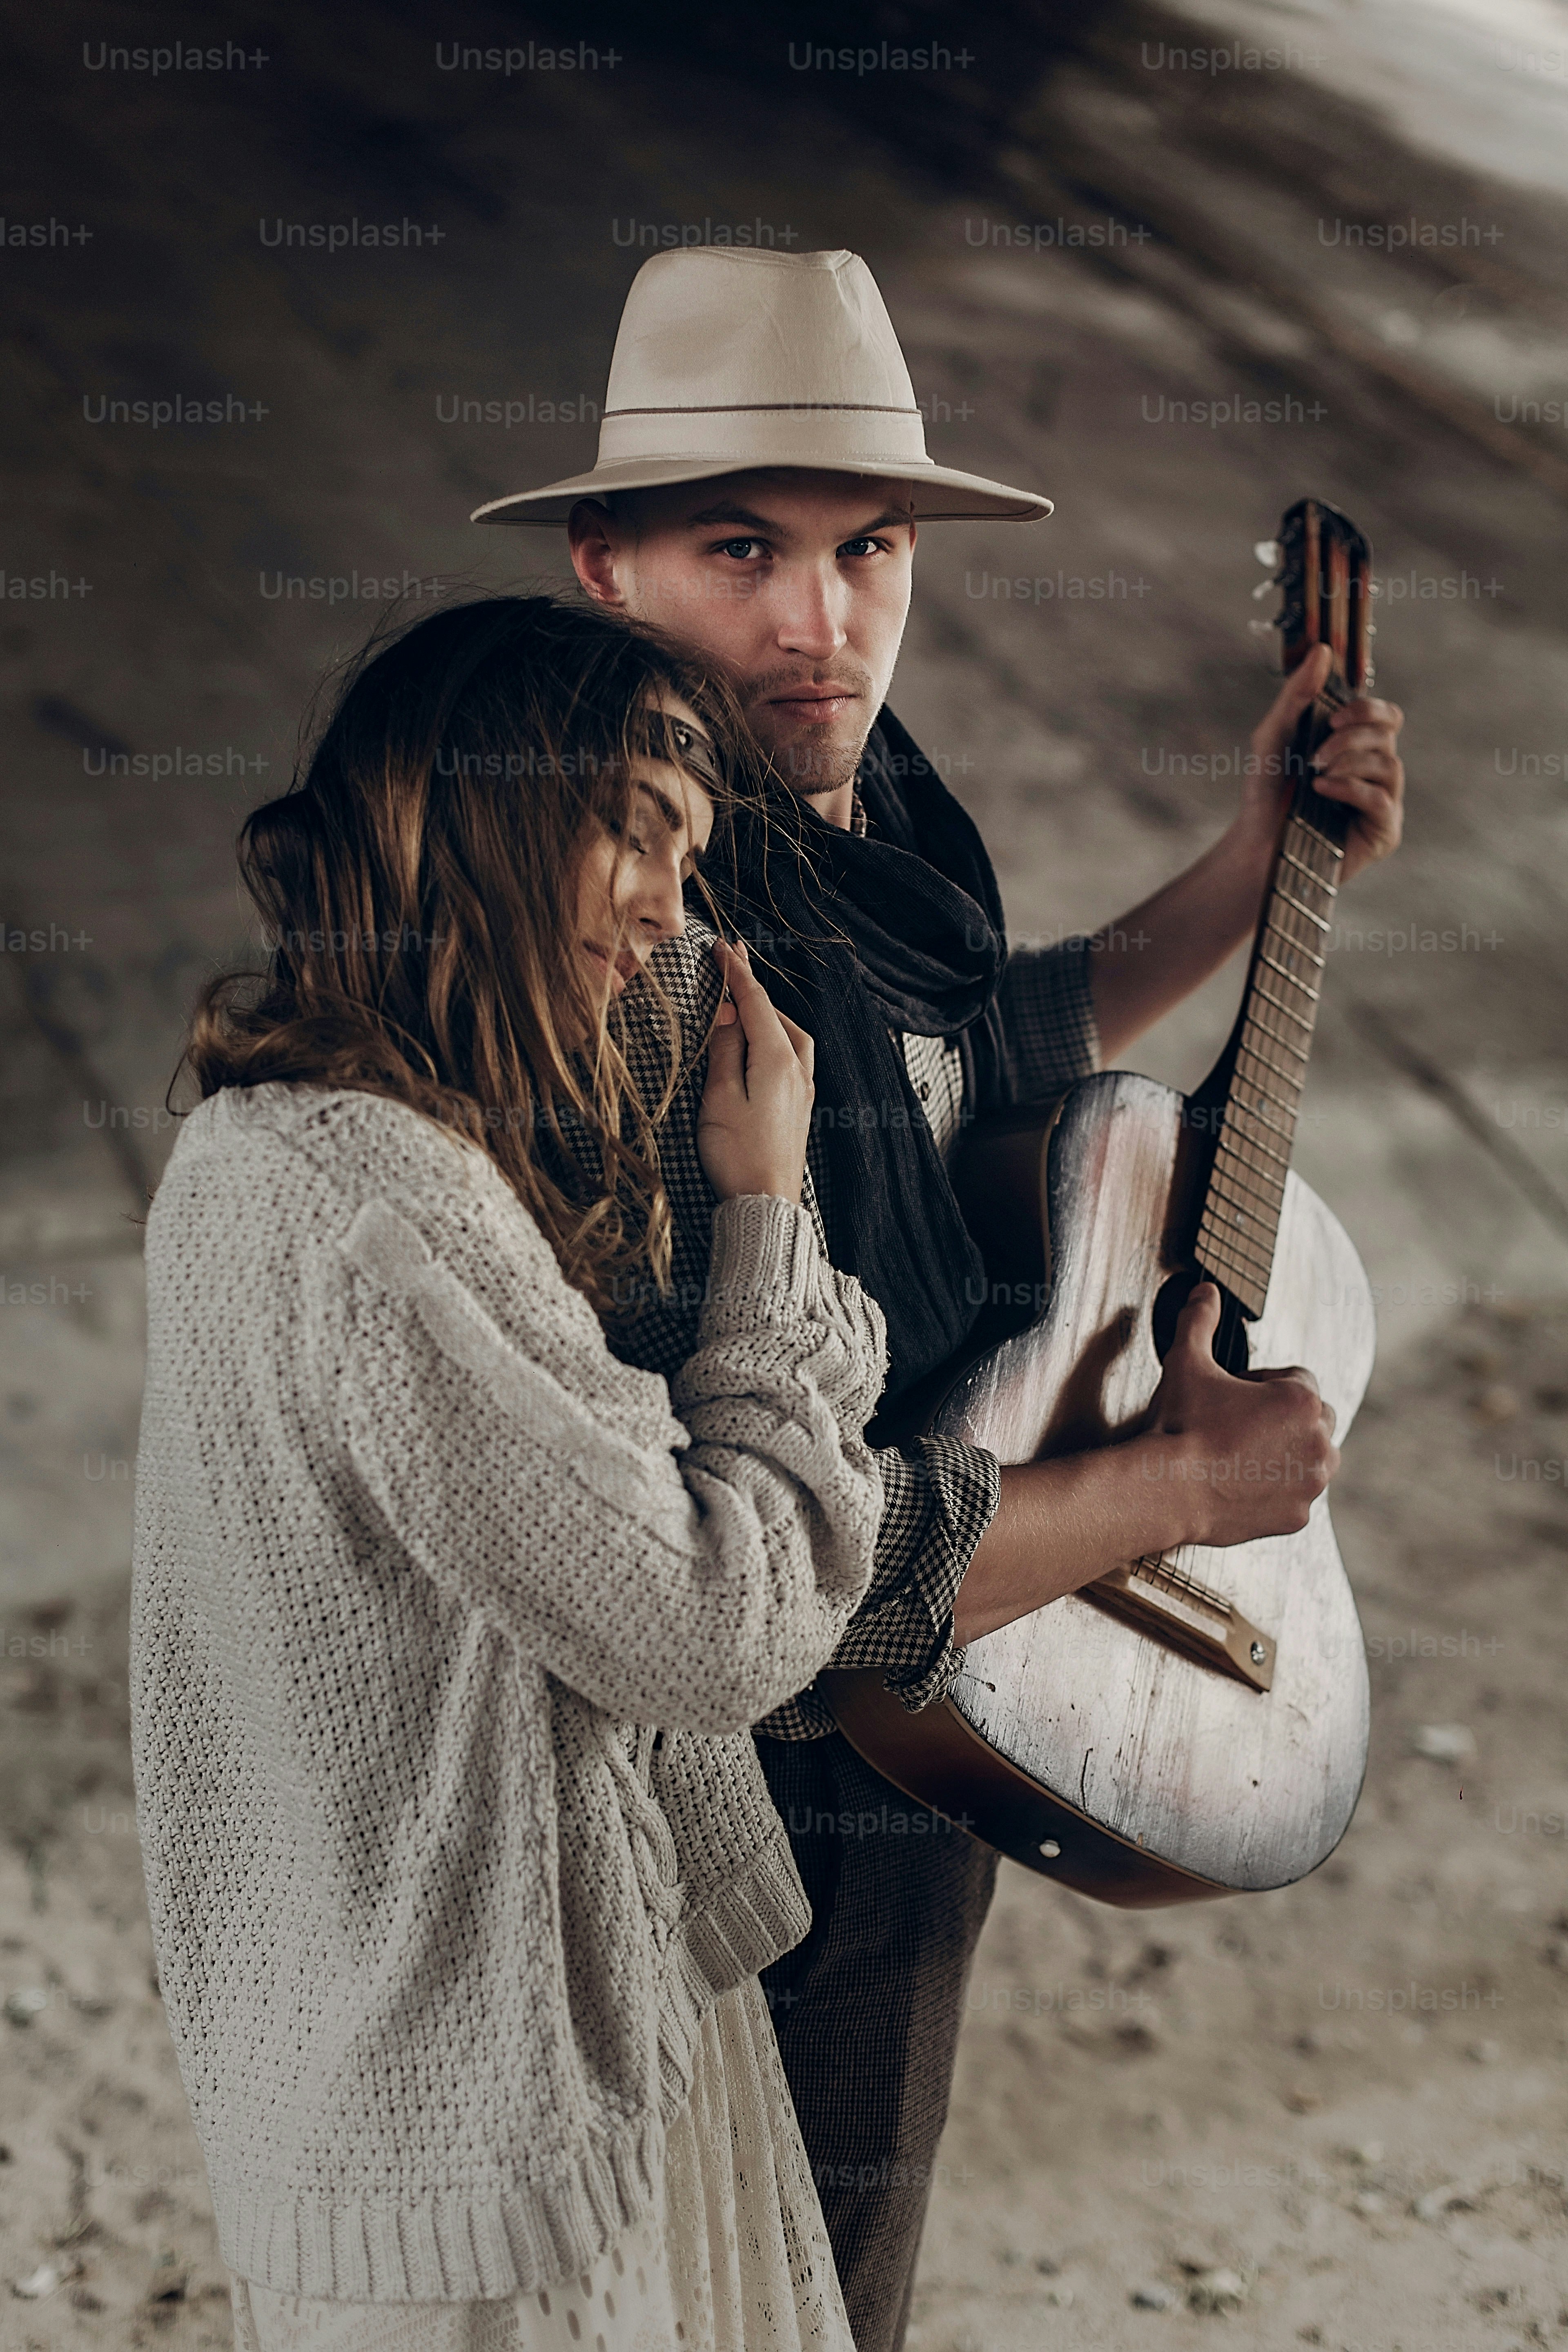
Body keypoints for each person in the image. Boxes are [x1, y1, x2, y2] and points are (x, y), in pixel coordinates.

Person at [470, 245, 1404, 2352]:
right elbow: (745, 1554)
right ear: (609, 565)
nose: (824, 621)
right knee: (736, 2289)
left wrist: (1261, 860)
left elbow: (976, 1049)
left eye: (869, 547)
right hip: (759, 1722)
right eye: (745, 550)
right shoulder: (632, 907)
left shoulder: (867, 801)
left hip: (935, 1638)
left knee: (824, 2277)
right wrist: (1168, 1490)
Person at [129, 594, 895, 2352]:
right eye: (632, 829)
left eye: (688, 860)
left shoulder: (260, 1156)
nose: (664, 909)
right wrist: (768, 1234)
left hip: (402, 2084)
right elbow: (713, 1627)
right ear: (470, 812)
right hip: (489, 2124)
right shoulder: (386, 1223)